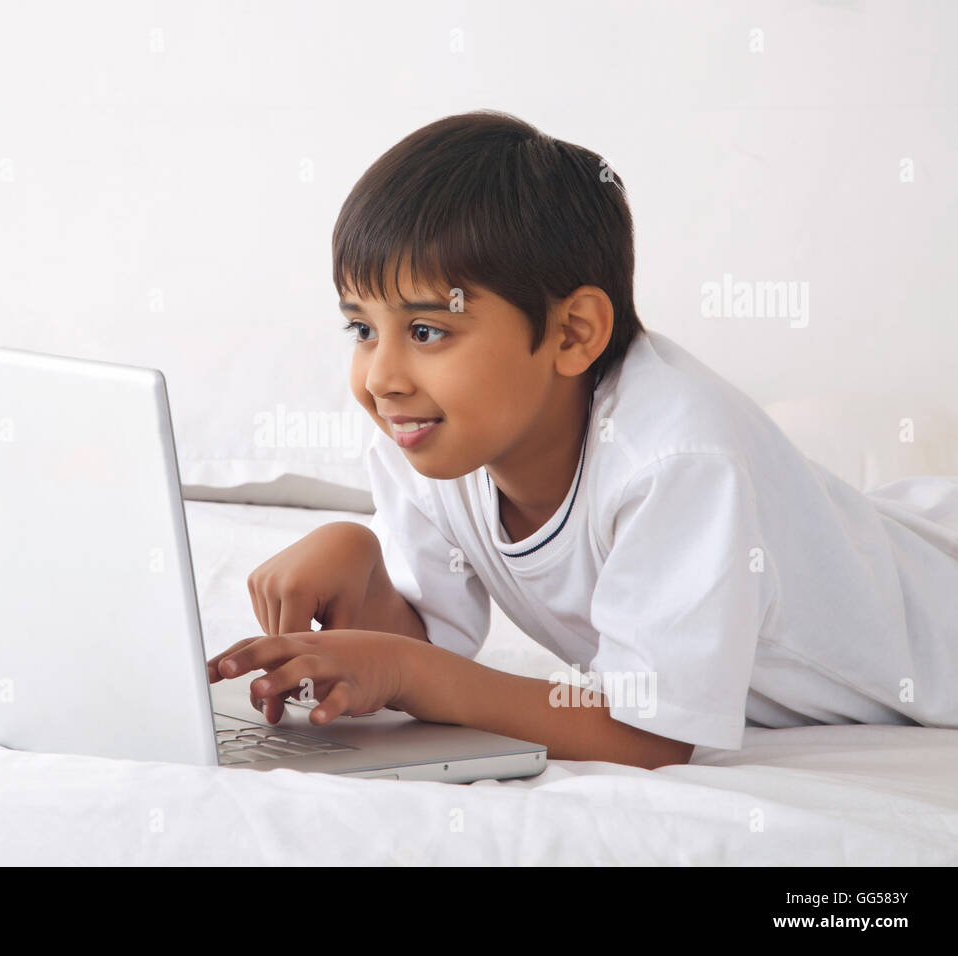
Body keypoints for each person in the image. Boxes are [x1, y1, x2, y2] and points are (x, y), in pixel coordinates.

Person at [207, 110, 958, 770]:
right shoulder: (426, 436)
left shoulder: (675, 458)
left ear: (572, 333)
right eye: (363, 330)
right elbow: (429, 646)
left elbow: (651, 735)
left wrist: (407, 672)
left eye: (428, 329)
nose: (381, 377)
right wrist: (361, 566)